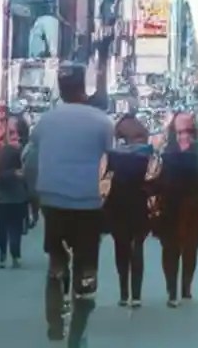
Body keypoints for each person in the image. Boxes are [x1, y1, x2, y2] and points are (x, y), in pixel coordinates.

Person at [23, 64, 114, 346]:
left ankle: (55, 325)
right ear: (82, 86)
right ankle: (78, 329)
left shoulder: (45, 122)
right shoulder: (102, 123)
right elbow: (112, 165)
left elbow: (29, 160)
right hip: (89, 206)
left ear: (60, 88)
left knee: (57, 262)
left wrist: (34, 195)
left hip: (53, 203)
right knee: (86, 268)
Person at [154, 112, 198, 306]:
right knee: (170, 248)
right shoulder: (162, 149)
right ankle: (171, 289)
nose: (184, 135)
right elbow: (154, 174)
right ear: (173, 131)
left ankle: (186, 288)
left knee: (190, 249)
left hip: (194, 207)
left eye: (188, 130)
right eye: (180, 131)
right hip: (169, 206)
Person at [104, 114, 159, 307]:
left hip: (117, 205)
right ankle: (136, 295)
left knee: (121, 248)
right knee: (138, 249)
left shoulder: (113, 155)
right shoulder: (147, 154)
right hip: (139, 205)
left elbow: (105, 179)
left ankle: (123, 293)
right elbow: (153, 181)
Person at [0, 115, 31, 268]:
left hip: (5, 198)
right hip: (15, 198)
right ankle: (13, 254)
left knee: (4, 228)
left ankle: (5, 255)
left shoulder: (2, 151)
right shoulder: (22, 151)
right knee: (13, 228)